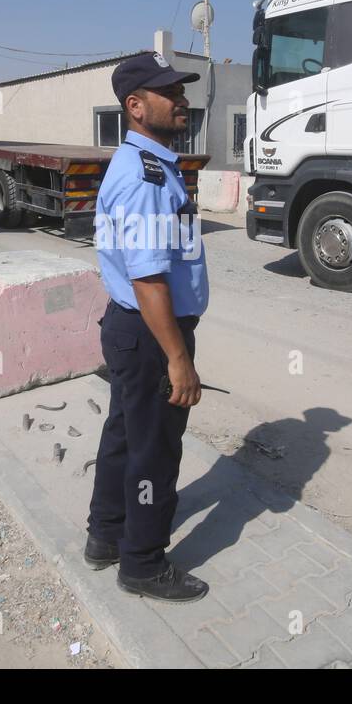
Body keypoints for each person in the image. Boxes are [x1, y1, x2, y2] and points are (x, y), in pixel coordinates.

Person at [84, 51, 211, 603]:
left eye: (181, 90)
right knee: (154, 452)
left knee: (124, 436)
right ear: (136, 107)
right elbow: (149, 279)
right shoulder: (146, 177)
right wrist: (179, 358)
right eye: (170, 93)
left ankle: (106, 536)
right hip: (151, 333)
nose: (182, 100)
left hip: (131, 329)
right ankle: (142, 564)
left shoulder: (148, 163)